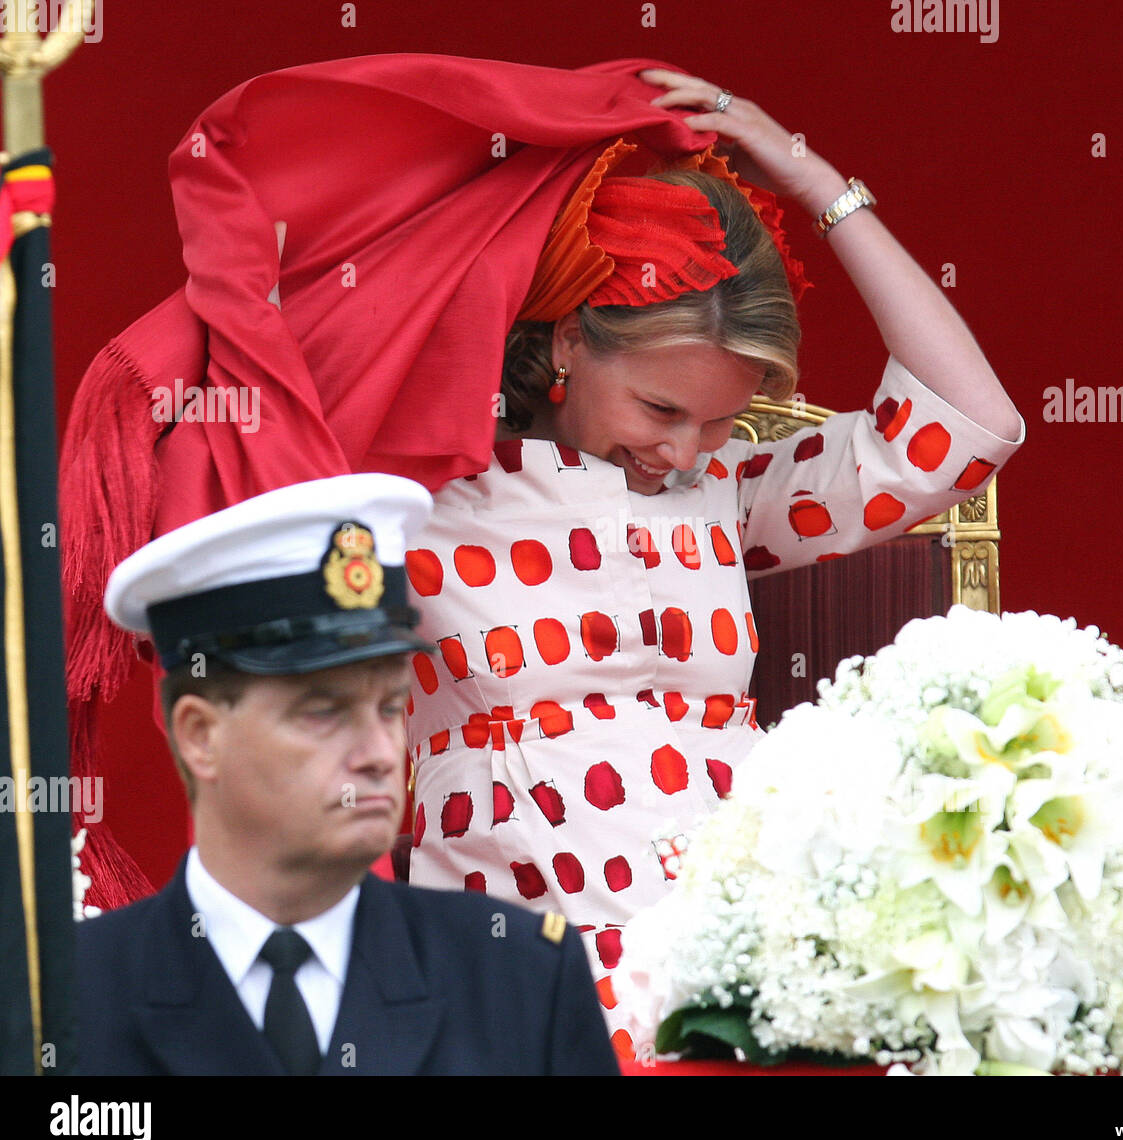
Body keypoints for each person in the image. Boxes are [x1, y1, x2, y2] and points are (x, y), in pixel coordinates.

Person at [401, 68, 1025, 1055]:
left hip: (745, 976)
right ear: (566, 338)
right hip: (522, 992)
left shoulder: (719, 496)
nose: (684, 452)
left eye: (721, 420)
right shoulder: (414, 500)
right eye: (658, 409)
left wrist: (808, 175)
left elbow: (965, 431)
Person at [74, 474, 620, 1075]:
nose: (382, 753)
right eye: (324, 711)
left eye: (390, 707)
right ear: (201, 736)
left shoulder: (522, 976)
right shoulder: (67, 999)